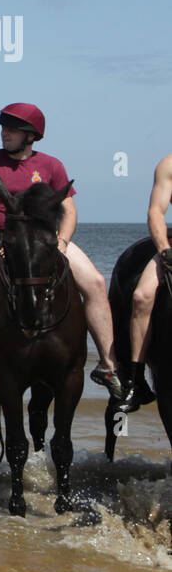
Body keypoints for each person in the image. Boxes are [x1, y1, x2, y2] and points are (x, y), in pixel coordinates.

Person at [0, 103, 118, 395]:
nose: (5, 133)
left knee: (95, 282)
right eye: (4, 128)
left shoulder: (51, 166)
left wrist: (62, 244)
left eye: (12, 129)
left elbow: (69, 211)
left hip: (45, 241)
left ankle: (107, 364)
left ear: (31, 135)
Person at [118, 154, 172, 411]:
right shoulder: (168, 165)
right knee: (142, 296)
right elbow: (156, 211)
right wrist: (164, 250)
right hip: (171, 246)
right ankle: (136, 380)